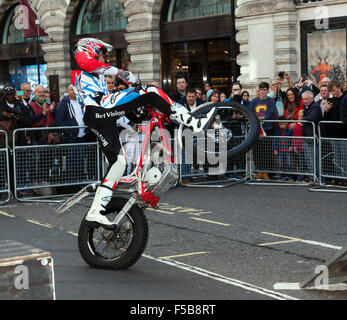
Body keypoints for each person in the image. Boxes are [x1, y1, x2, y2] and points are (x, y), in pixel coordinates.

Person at [74, 38, 217, 228]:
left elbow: (118, 109)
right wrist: (122, 73)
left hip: (101, 118)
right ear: (91, 49)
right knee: (151, 91)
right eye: (101, 53)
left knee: (118, 162)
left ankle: (96, 211)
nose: (103, 58)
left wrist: (134, 120)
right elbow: (87, 63)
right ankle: (193, 121)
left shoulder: (97, 74)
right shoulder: (83, 60)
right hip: (99, 108)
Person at [0, 85, 32, 196]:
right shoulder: (1, 104)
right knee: (2, 167)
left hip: (18, 141)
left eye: (11, 94)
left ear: (15, 94)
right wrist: (7, 116)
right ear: (4, 94)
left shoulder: (20, 105)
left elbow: (29, 121)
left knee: (18, 167)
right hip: (2, 142)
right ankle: (2, 191)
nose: (9, 96)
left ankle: (17, 189)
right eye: (7, 94)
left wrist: (19, 118)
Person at [249, 81, 278, 180]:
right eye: (261, 89)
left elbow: (269, 114)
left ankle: (267, 172)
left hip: (267, 129)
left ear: (267, 90)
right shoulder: (254, 101)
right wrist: (257, 118)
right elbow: (250, 112)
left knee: (267, 151)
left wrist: (260, 117)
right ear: (259, 90)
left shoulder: (271, 101)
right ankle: (259, 171)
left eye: (265, 89)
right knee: (257, 151)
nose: (263, 92)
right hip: (256, 129)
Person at [323, 80, 347, 179]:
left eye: (334, 90)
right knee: (336, 157)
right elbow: (326, 119)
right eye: (331, 91)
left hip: (344, 133)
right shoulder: (330, 101)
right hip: (333, 134)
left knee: (345, 157)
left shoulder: (344, 99)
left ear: (339, 87)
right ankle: (338, 178)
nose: (333, 93)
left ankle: (345, 177)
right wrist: (326, 111)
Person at [302, 90, 323, 182]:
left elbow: (311, 117)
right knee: (308, 158)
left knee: (314, 159)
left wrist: (302, 119)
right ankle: (312, 177)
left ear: (311, 98)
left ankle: (317, 177)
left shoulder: (315, 106)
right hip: (307, 137)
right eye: (303, 99)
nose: (305, 101)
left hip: (313, 137)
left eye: (306, 99)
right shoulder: (306, 107)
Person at [273, 116, 293, 181]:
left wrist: (291, 146)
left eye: (283, 124)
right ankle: (282, 176)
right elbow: (274, 140)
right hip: (280, 150)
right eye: (280, 124)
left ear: (286, 123)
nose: (282, 126)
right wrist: (275, 149)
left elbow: (292, 139)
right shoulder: (277, 131)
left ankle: (290, 176)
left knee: (289, 163)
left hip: (287, 150)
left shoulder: (290, 130)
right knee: (280, 163)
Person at [292, 110, 305, 182]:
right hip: (299, 147)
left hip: (305, 147)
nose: (301, 118)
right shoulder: (296, 125)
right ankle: (300, 176)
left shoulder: (307, 124)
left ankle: (307, 176)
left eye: (302, 116)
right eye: (299, 116)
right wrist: (294, 146)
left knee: (306, 161)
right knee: (300, 162)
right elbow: (294, 136)